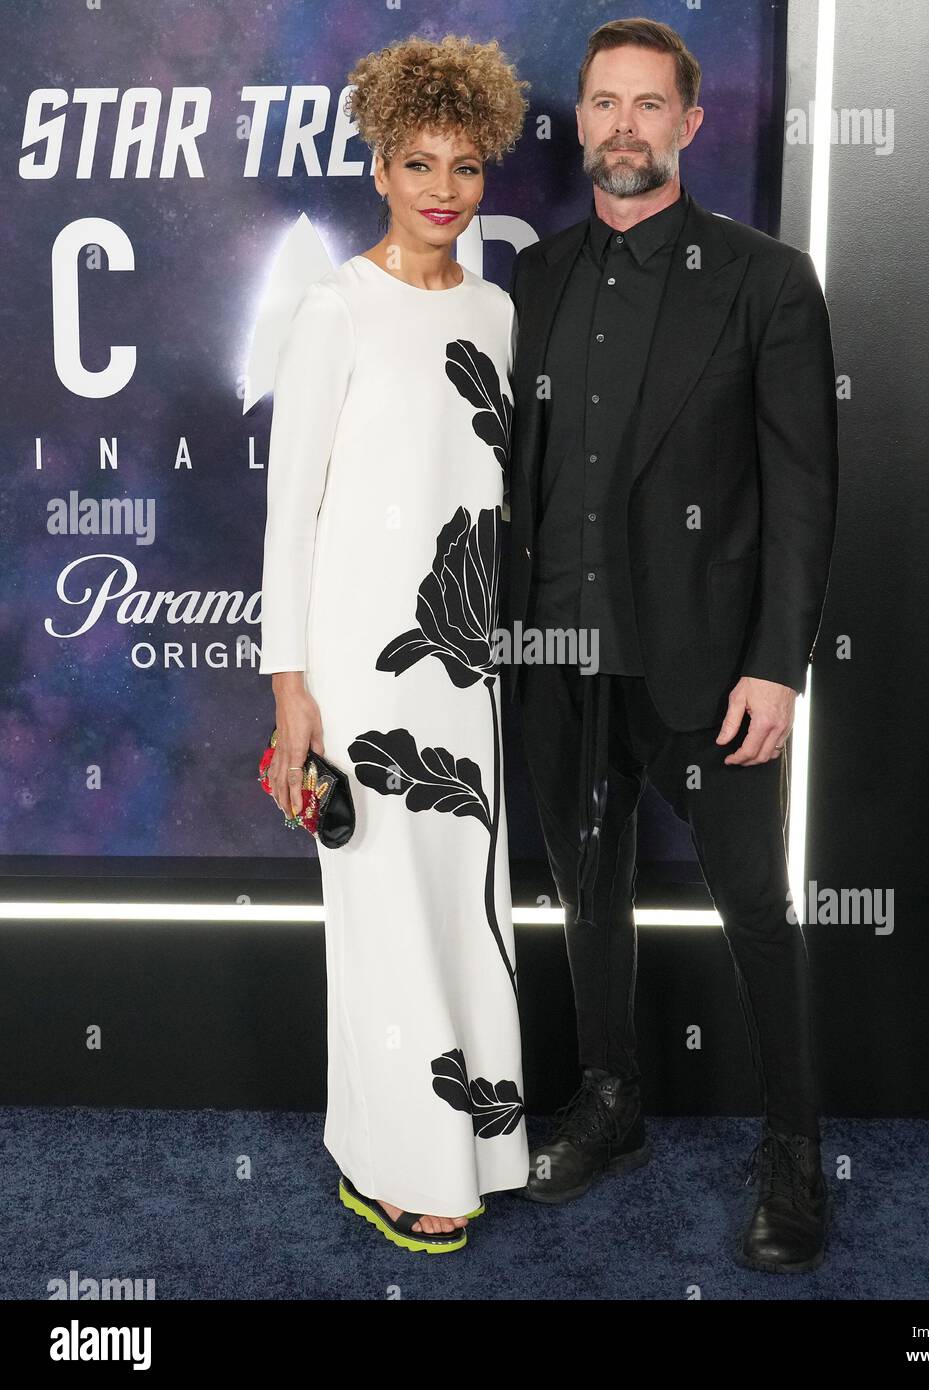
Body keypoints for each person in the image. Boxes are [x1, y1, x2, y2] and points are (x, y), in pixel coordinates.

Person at [505, 18, 839, 1272]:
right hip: (558, 649)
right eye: (605, 104)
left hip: (712, 664)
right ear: (579, 122)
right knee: (589, 889)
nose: (625, 126)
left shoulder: (764, 280)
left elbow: (802, 491)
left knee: (753, 904)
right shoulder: (532, 279)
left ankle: (794, 1154)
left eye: (652, 105)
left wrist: (778, 661)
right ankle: (610, 1100)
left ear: (689, 126)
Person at [259, 33, 530, 1254]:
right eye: (416, 161)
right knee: (376, 913)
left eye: (464, 165)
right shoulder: (334, 306)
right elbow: (290, 510)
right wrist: (290, 695)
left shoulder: (497, 311)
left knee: (459, 904)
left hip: (462, 663)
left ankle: (474, 1137)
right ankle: (395, 1161)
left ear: (485, 175)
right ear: (377, 165)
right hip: (362, 659)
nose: (440, 188)